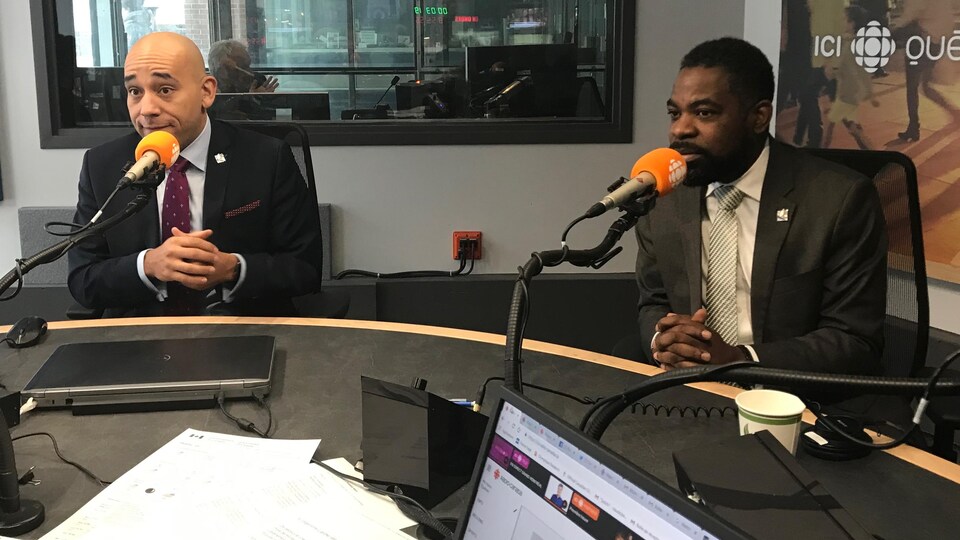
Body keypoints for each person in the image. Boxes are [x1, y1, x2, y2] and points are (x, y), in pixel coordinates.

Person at [636, 37, 887, 374]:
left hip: (793, 396)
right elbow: (653, 302)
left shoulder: (840, 200)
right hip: (689, 388)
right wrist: (662, 342)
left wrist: (741, 361)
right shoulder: (663, 196)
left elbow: (854, 340)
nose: (680, 128)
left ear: (758, 117)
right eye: (674, 113)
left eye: (704, 112)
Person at [68, 32, 323, 317]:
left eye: (164, 90)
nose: (147, 109)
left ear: (207, 92)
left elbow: (305, 268)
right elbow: (82, 279)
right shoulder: (103, 165)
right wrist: (147, 265)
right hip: (139, 336)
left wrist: (233, 269)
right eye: (135, 92)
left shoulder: (266, 158)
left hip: (241, 328)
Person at [207, 39, 279, 94]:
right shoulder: (207, 91)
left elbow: (268, 111)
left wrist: (259, 100)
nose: (249, 73)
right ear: (221, 68)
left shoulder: (258, 81)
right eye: (242, 66)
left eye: (248, 65)